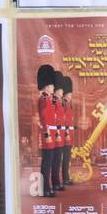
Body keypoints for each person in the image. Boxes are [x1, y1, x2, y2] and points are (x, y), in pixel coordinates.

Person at [36, 63, 58, 198]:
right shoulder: (44, 99)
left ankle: (47, 188)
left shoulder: (48, 100)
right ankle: (45, 189)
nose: (54, 87)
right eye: (52, 85)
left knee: (49, 163)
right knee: (47, 164)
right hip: (47, 136)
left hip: (50, 135)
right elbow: (44, 119)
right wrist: (47, 134)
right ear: (47, 85)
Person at [61, 73, 75, 186]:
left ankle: (66, 177)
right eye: (70, 93)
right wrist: (66, 133)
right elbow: (64, 120)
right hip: (66, 136)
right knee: (65, 158)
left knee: (67, 158)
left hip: (69, 134)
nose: (71, 95)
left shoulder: (69, 104)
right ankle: (65, 178)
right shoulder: (64, 104)